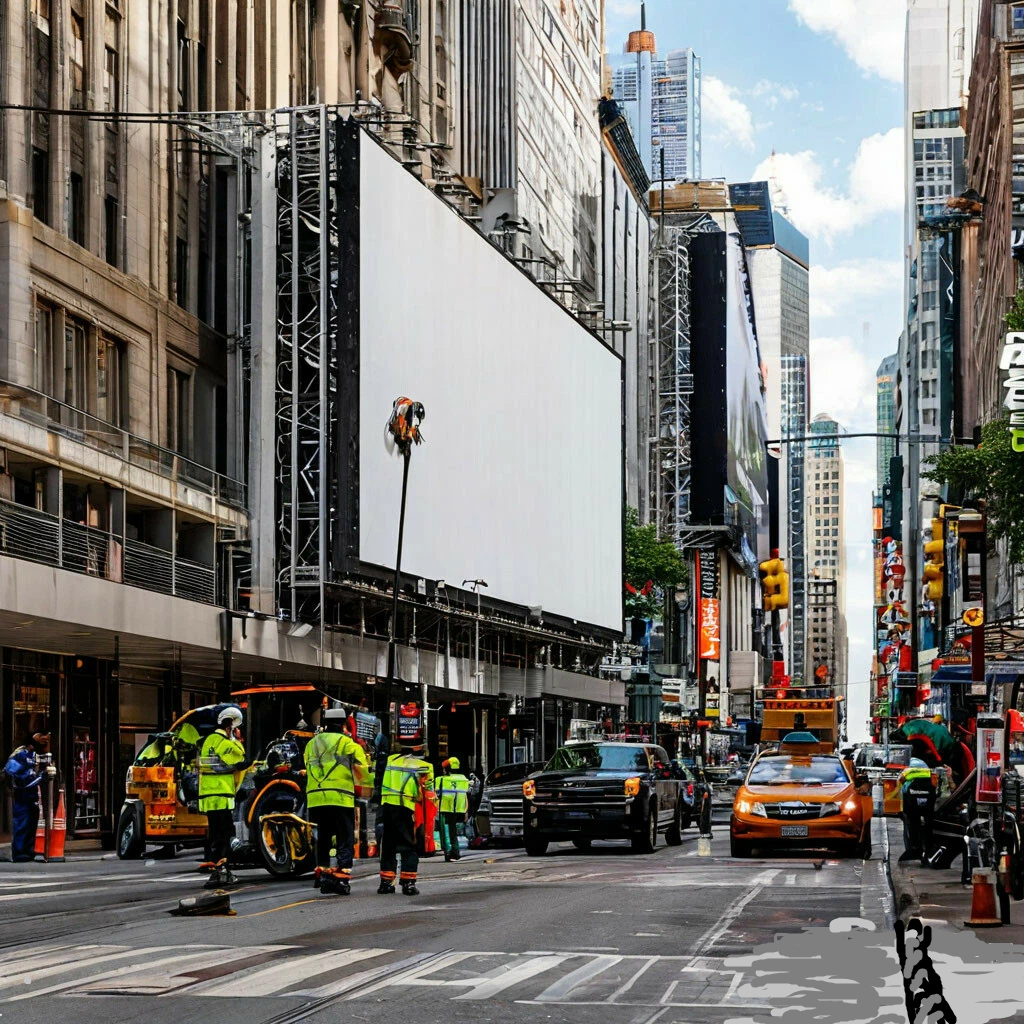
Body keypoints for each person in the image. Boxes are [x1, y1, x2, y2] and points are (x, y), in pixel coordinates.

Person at [305, 707, 369, 895]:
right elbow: (362, 769)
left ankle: (323, 875)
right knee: (344, 837)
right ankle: (341, 879)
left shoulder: (312, 744)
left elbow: (307, 765)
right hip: (341, 797)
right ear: (343, 724)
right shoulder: (348, 744)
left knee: (323, 837)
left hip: (316, 798)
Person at [198, 706, 248, 888]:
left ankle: (217, 869)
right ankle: (223, 871)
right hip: (221, 794)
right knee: (226, 834)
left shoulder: (208, 741)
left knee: (215, 833)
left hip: (208, 796)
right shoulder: (223, 742)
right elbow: (238, 758)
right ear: (230, 727)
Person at [378, 742, 433, 895]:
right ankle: (408, 883)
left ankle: (386, 882)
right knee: (409, 844)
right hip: (408, 808)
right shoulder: (424, 766)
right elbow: (429, 792)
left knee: (388, 845)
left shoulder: (390, 760)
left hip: (388, 807)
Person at [4, 733, 53, 862]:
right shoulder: (21, 754)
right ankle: (20, 853)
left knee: (32, 822)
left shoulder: (36, 756)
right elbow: (11, 771)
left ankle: (28, 850)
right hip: (22, 794)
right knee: (22, 823)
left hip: (32, 794)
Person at [898, 758, 936, 863]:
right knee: (929, 825)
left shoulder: (908, 769)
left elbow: (901, 782)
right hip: (928, 804)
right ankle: (929, 849)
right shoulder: (927, 770)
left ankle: (913, 849)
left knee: (911, 824)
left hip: (911, 805)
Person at [434, 757, 470, 862]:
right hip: (460, 809)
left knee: (446, 832)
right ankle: (456, 851)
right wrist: (466, 812)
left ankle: (449, 852)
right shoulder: (464, 779)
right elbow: (467, 796)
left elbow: (436, 794)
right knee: (454, 832)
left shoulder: (440, 779)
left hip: (445, 809)